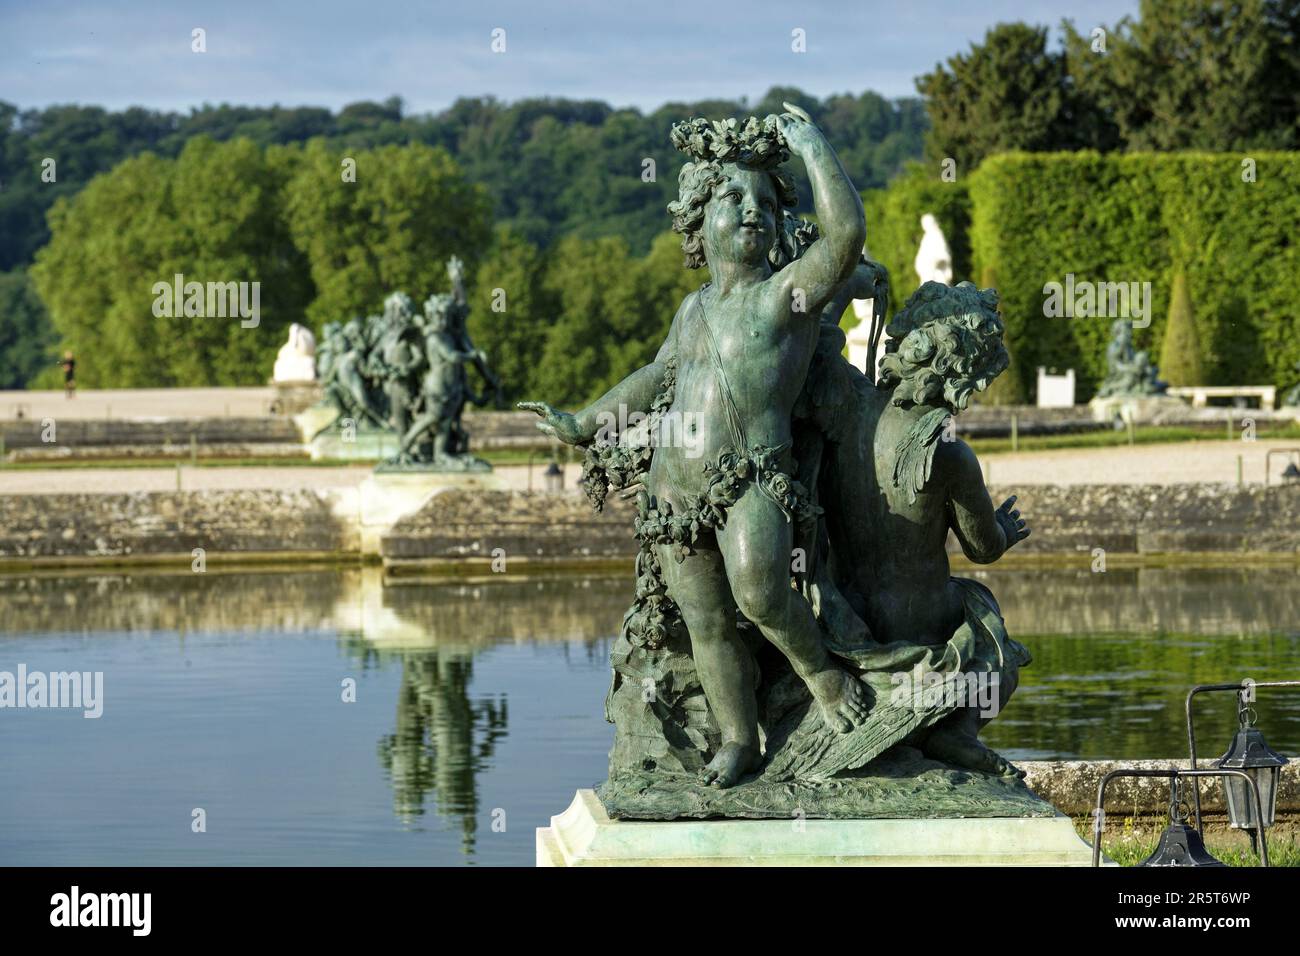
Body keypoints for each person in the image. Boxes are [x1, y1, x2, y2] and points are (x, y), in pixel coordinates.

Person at [522, 107, 869, 787]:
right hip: (674, 489)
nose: (753, 211)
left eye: (766, 201)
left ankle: (823, 676)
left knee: (762, 595)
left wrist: (811, 145)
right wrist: (587, 420)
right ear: (698, 220)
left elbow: (846, 234)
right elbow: (655, 377)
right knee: (707, 622)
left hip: (751, 482)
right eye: (732, 197)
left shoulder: (786, 297)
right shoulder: (693, 311)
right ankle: (740, 739)